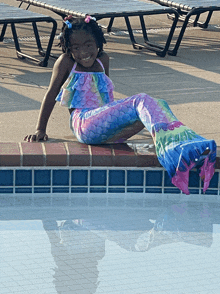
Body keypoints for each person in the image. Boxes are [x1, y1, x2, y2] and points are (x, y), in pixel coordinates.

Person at [24, 15, 216, 195]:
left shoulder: (103, 60)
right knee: (141, 100)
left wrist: (122, 121)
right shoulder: (66, 62)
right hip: (83, 123)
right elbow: (51, 94)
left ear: (98, 43)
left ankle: (184, 145)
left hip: (103, 126)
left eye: (88, 44)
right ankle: (176, 149)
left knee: (158, 104)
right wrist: (40, 129)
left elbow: (106, 95)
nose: (83, 52)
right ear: (68, 48)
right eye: (75, 47)